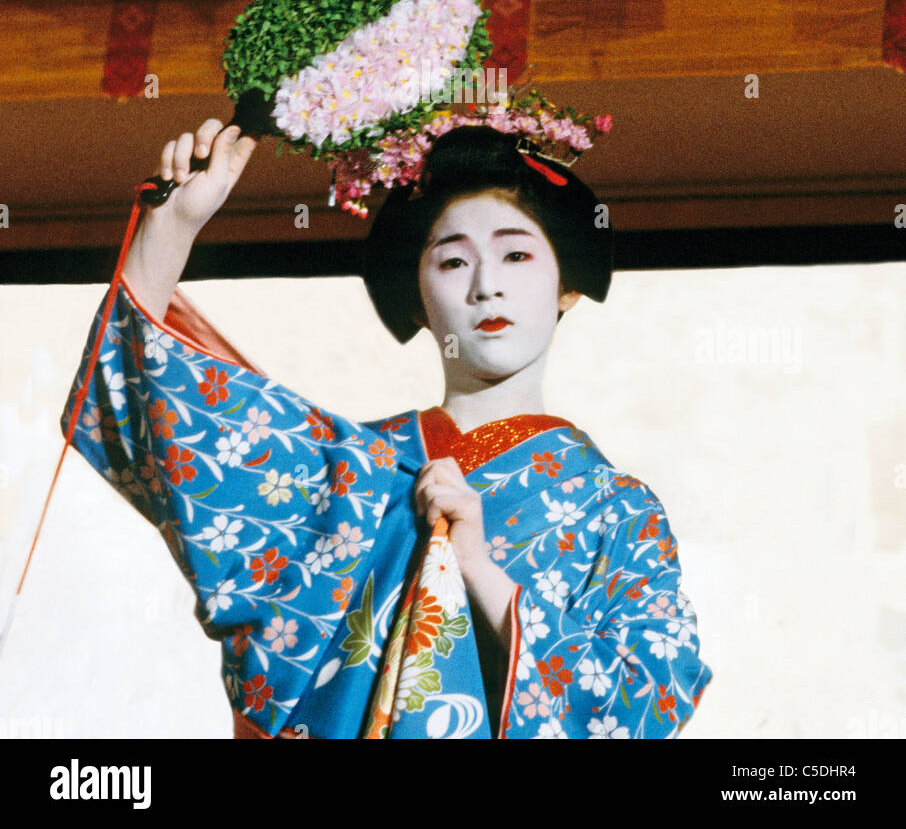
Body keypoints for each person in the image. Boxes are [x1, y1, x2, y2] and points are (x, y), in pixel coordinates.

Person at [62, 117, 712, 739]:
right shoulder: (349, 472)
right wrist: (169, 230)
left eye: (515, 254)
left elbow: (646, 696)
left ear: (566, 284)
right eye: (453, 262)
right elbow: (147, 407)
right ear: (419, 294)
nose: (487, 286)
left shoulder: (616, 511)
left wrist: (480, 570)